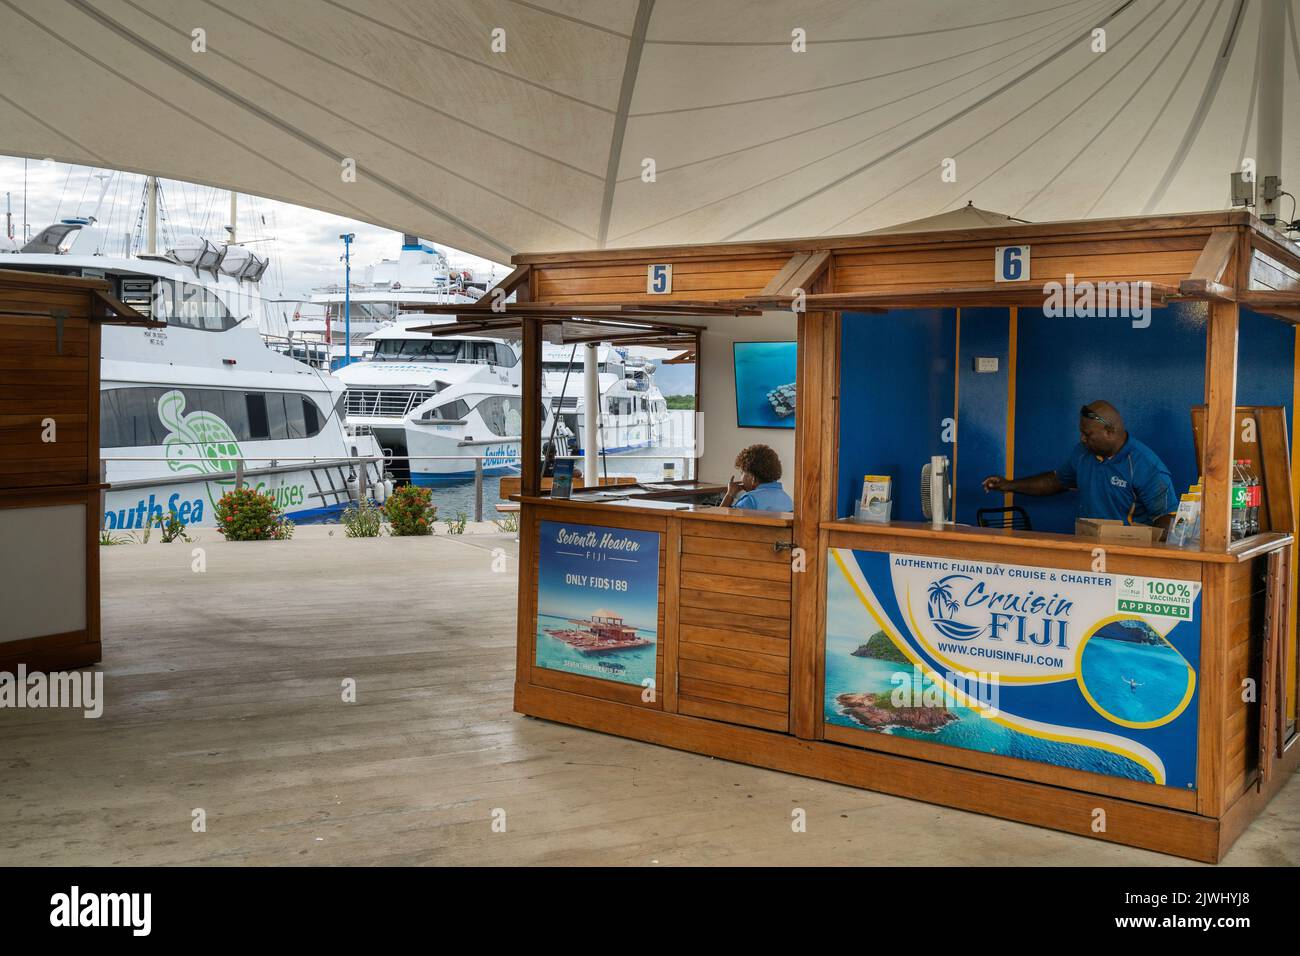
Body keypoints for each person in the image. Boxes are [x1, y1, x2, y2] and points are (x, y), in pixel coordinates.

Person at [982, 400, 1177, 529]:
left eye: (1088, 434)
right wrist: (1008, 485)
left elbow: (1167, 519)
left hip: (1128, 555)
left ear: (1110, 431)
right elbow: (1058, 481)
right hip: (1087, 548)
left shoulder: (1146, 465)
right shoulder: (1083, 453)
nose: (1082, 439)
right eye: (1081, 433)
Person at [722, 443, 794, 511]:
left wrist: (729, 494)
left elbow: (720, 520)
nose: (741, 478)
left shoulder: (750, 500)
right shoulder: (787, 499)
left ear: (752, 478)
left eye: (742, 473)